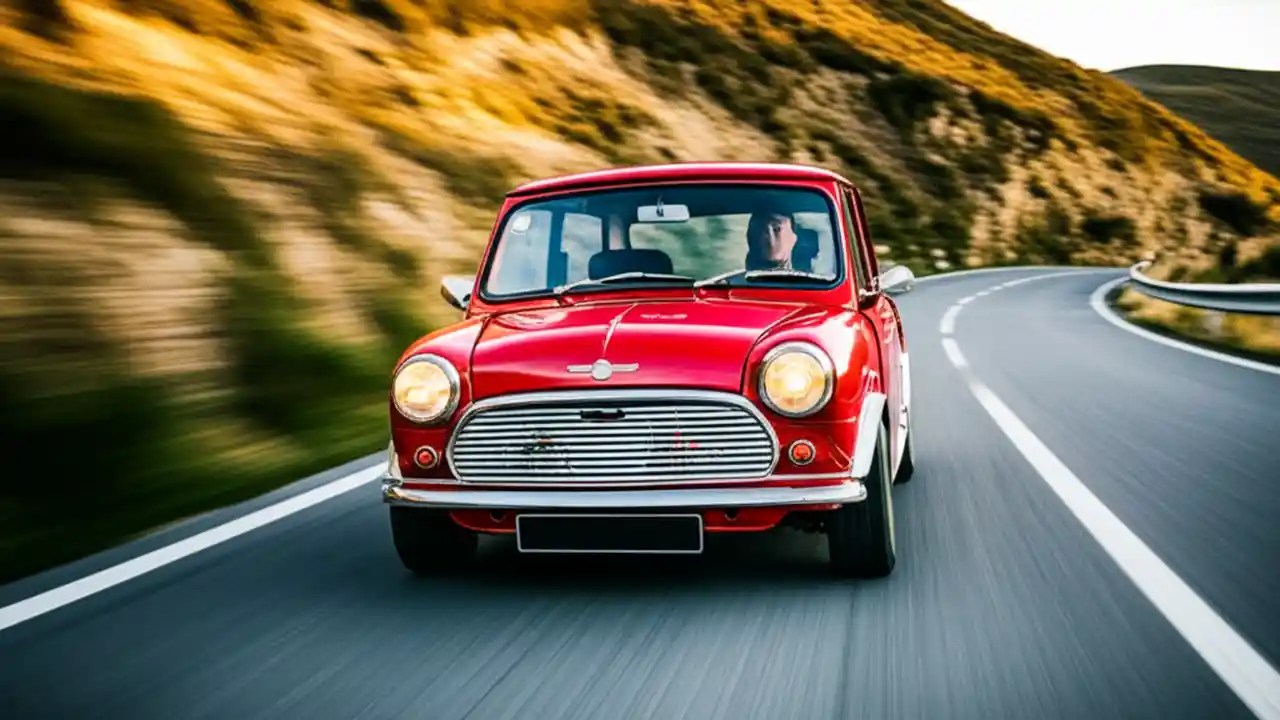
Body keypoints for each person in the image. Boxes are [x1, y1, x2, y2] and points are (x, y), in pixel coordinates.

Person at [745, 208, 816, 271]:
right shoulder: (736, 283)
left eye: (776, 228)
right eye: (760, 229)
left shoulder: (808, 284)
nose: (768, 235)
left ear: (793, 238)